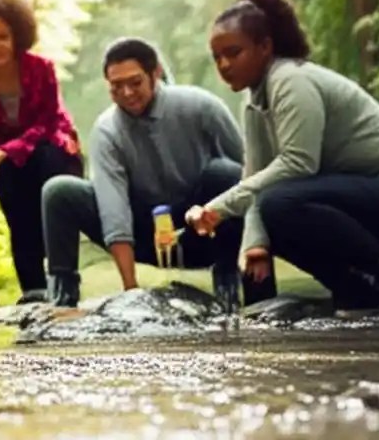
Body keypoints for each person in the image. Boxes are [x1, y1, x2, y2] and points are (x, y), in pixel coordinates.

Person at [186, 0, 379, 314]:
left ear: (265, 46)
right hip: (369, 202)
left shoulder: (291, 80)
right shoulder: (254, 101)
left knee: (281, 201)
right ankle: (361, 293)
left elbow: (298, 163)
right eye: (217, 57)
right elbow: (254, 177)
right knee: (273, 208)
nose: (223, 65)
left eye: (233, 53)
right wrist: (256, 246)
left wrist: (216, 210)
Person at [40, 38, 277, 310]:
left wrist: (258, 244)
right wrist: (131, 293)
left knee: (224, 173)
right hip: (144, 230)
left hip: (204, 227)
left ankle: (244, 287)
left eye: (135, 82)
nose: (127, 93)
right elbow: (113, 210)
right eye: (116, 86)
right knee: (58, 192)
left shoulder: (201, 106)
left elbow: (251, 178)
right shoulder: (107, 131)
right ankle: (62, 296)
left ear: (155, 74)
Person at [0, 0, 81, 303]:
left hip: (53, 148)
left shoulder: (42, 68)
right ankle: (33, 289)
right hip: (5, 163)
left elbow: (48, 123)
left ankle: (64, 281)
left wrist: (5, 151)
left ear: (17, 36)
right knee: (15, 206)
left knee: (51, 199)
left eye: (2, 37)